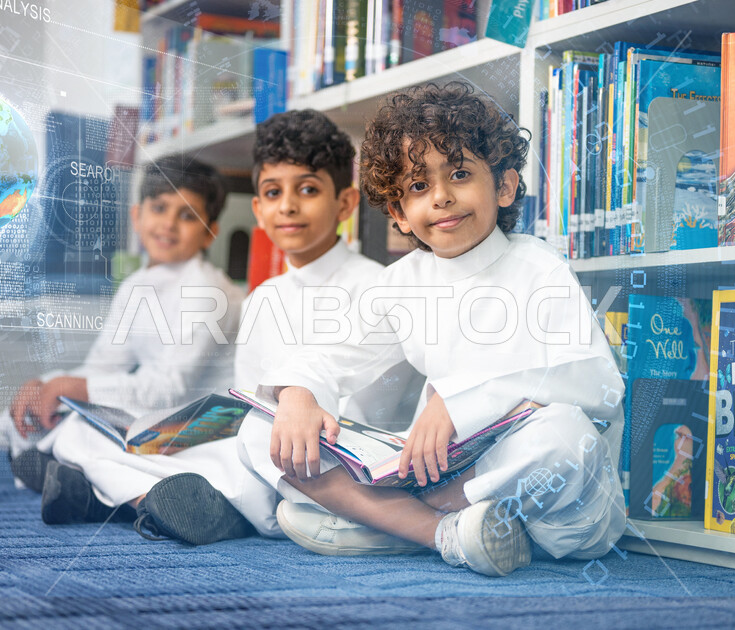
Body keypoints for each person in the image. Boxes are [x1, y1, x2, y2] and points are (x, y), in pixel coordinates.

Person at [239, 82, 627, 576]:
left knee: (567, 433)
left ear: (504, 186)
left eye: (460, 174)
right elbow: (336, 355)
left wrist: (459, 401)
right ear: (399, 212)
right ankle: (441, 533)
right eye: (419, 186)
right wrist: (296, 394)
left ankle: (393, 524)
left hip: (547, 501)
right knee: (262, 429)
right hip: (435, 467)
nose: (442, 197)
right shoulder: (401, 281)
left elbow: (596, 383)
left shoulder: (538, 265)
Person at [48, 110, 417, 545]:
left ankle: (120, 497)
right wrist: (177, 432)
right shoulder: (263, 297)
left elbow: (362, 414)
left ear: (345, 204)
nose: (289, 206)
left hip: (326, 461)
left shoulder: (376, 286)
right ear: (258, 209)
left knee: (253, 461)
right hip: (256, 447)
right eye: (273, 192)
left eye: (308, 190)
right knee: (87, 434)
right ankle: (148, 498)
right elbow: (247, 401)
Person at [0, 156, 242, 523]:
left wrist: (74, 387)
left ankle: (122, 496)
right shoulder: (136, 285)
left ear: (209, 232)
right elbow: (102, 366)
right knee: (45, 415)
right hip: (154, 411)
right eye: (159, 209)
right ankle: (94, 490)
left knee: (77, 433)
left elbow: (170, 390)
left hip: (204, 422)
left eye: (187, 216)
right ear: (137, 216)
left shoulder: (207, 292)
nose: (169, 224)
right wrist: (47, 384)